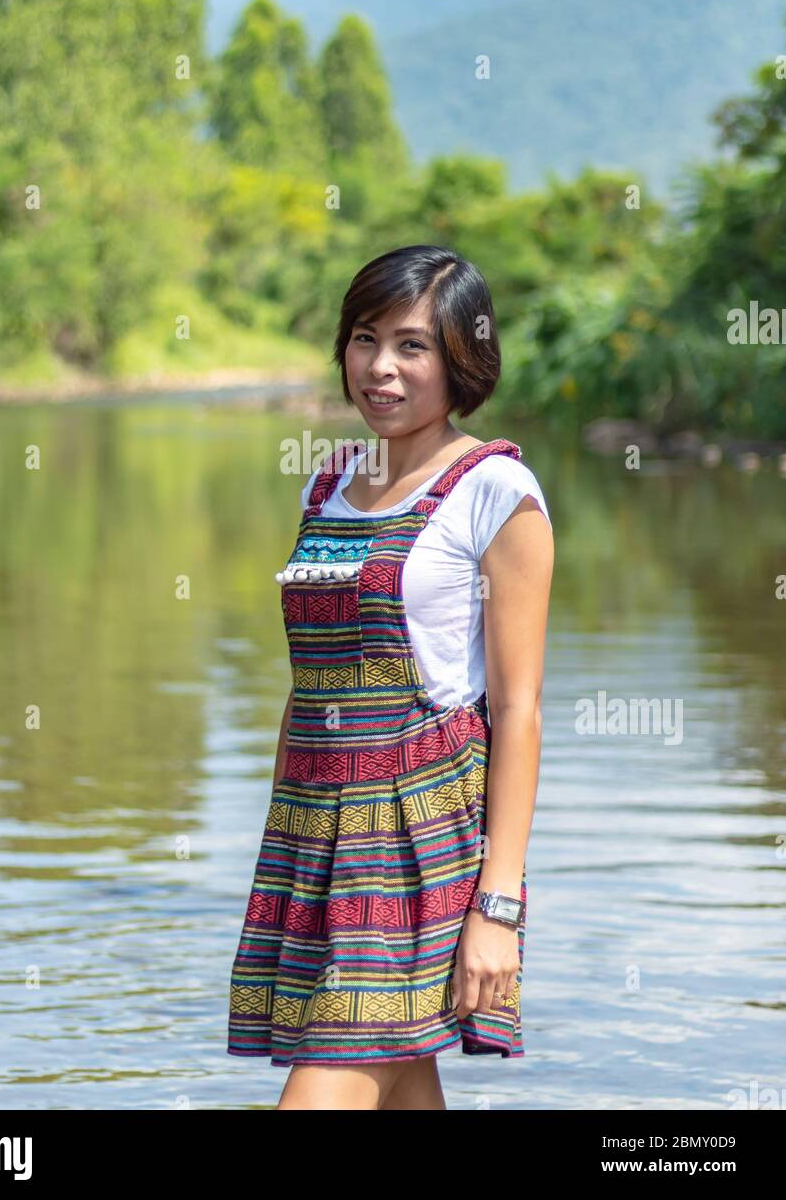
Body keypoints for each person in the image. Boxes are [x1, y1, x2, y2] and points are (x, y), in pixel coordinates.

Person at [227, 245, 554, 1109]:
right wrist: (286, 846)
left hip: (418, 840)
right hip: (315, 830)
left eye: (412, 346)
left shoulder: (495, 491)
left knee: (328, 1082)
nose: (379, 368)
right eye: (364, 338)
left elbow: (516, 708)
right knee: (402, 1081)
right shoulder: (326, 481)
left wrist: (499, 907)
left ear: (461, 360)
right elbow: (309, 691)